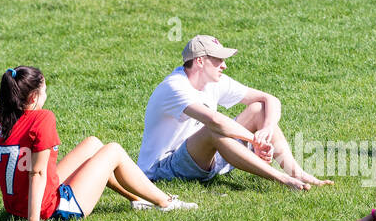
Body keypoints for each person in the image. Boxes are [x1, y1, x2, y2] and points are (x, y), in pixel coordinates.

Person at [0, 66, 196, 221]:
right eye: (44, 91)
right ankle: (166, 202)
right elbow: (38, 173)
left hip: (16, 206)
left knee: (94, 144)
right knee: (114, 151)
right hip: (51, 209)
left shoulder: (0, 118)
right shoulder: (42, 118)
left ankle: (136, 199)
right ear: (33, 97)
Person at [137, 35, 331, 190]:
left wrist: (267, 129)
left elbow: (270, 99)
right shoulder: (174, 87)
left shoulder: (215, 81)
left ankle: (297, 173)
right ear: (200, 62)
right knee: (213, 129)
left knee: (258, 110)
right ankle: (283, 180)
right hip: (164, 169)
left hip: (205, 158)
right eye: (218, 60)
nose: (224, 65)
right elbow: (215, 121)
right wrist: (255, 141)